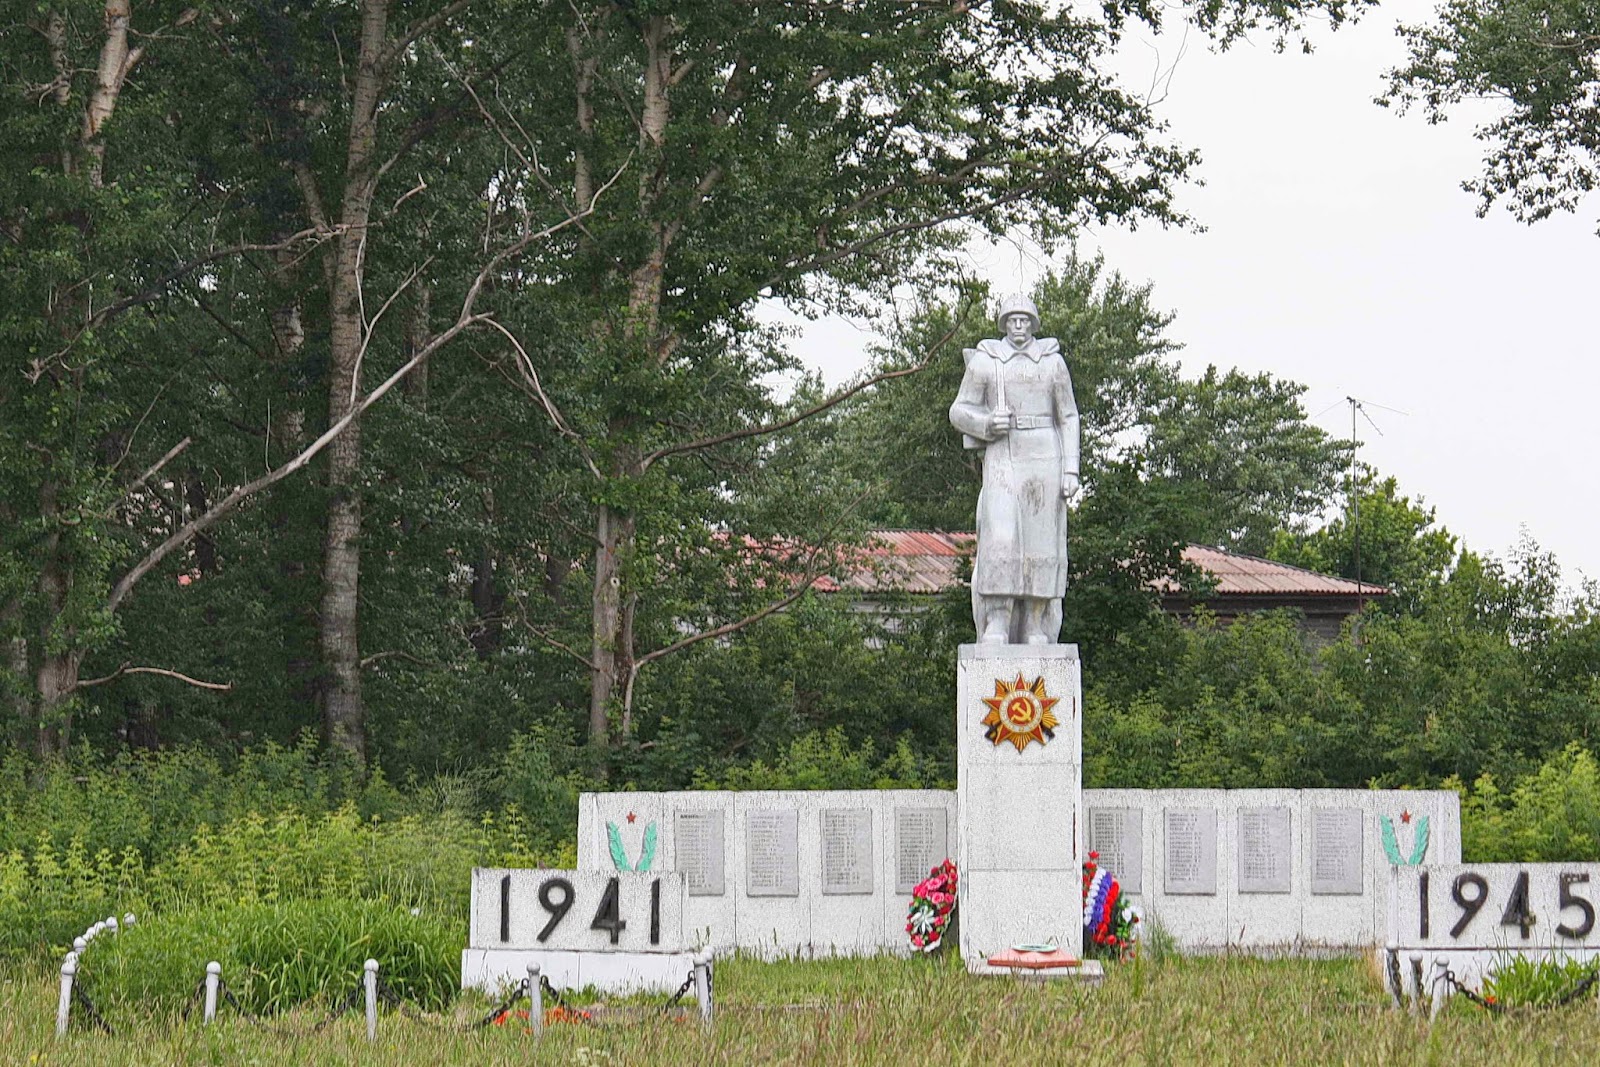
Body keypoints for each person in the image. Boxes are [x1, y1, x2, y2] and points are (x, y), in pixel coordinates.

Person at [949, 294, 1081, 644]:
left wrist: (1071, 468)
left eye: (1024, 321)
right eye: (1012, 320)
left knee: (1041, 540)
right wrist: (987, 424)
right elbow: (959, 411)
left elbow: (1068, 416)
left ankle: (1036, 622)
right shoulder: (987, 361)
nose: (1019, 327)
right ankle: (997, 620)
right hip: (1003, 454)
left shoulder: (1052, 363)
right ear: (1004, 324)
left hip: (1045, 454)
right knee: (1001, 538)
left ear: (1033, 324)